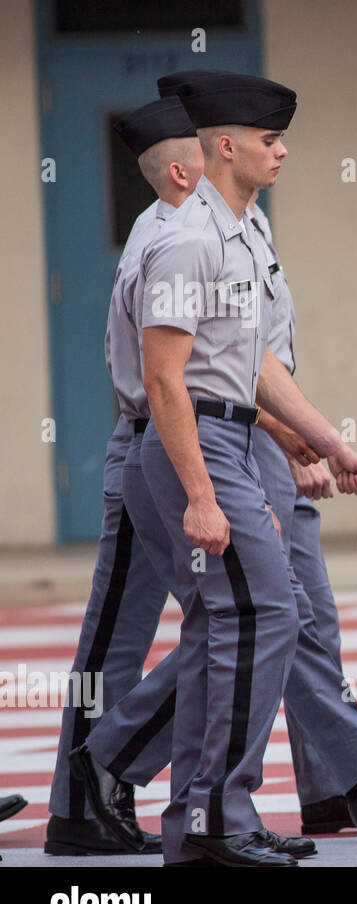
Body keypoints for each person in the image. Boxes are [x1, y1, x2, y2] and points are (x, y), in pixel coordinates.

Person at [130, 72, 357, 866]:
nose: (281, 152)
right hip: (199, 444)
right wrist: (203, 496)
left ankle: (200, 820)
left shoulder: (241, 232)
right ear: (225, 146)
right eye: (270, 140)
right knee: (268, 615)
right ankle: (216, 815)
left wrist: (329, 440)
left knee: (234, 625)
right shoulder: (188, 238)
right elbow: (165, 377)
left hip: (232, 434)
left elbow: (256, 365)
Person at [45, 96, 201, 857]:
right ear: (181, 167)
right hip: (156, 445)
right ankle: (83, 800)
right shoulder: (167, 236)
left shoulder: (202, 230)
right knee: (115, 641)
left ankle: (101, 792)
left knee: (243, 621)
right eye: (214, 146)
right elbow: (174, 376)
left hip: (180, 445)